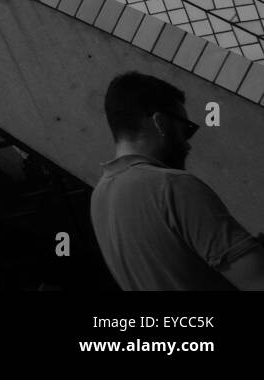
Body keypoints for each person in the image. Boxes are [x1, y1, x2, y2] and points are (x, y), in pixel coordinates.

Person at [90, 71, 264, 290]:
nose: (188, 144)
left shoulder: (100, 199)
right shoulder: (173, 187)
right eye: (186, 130)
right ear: (160, 123)